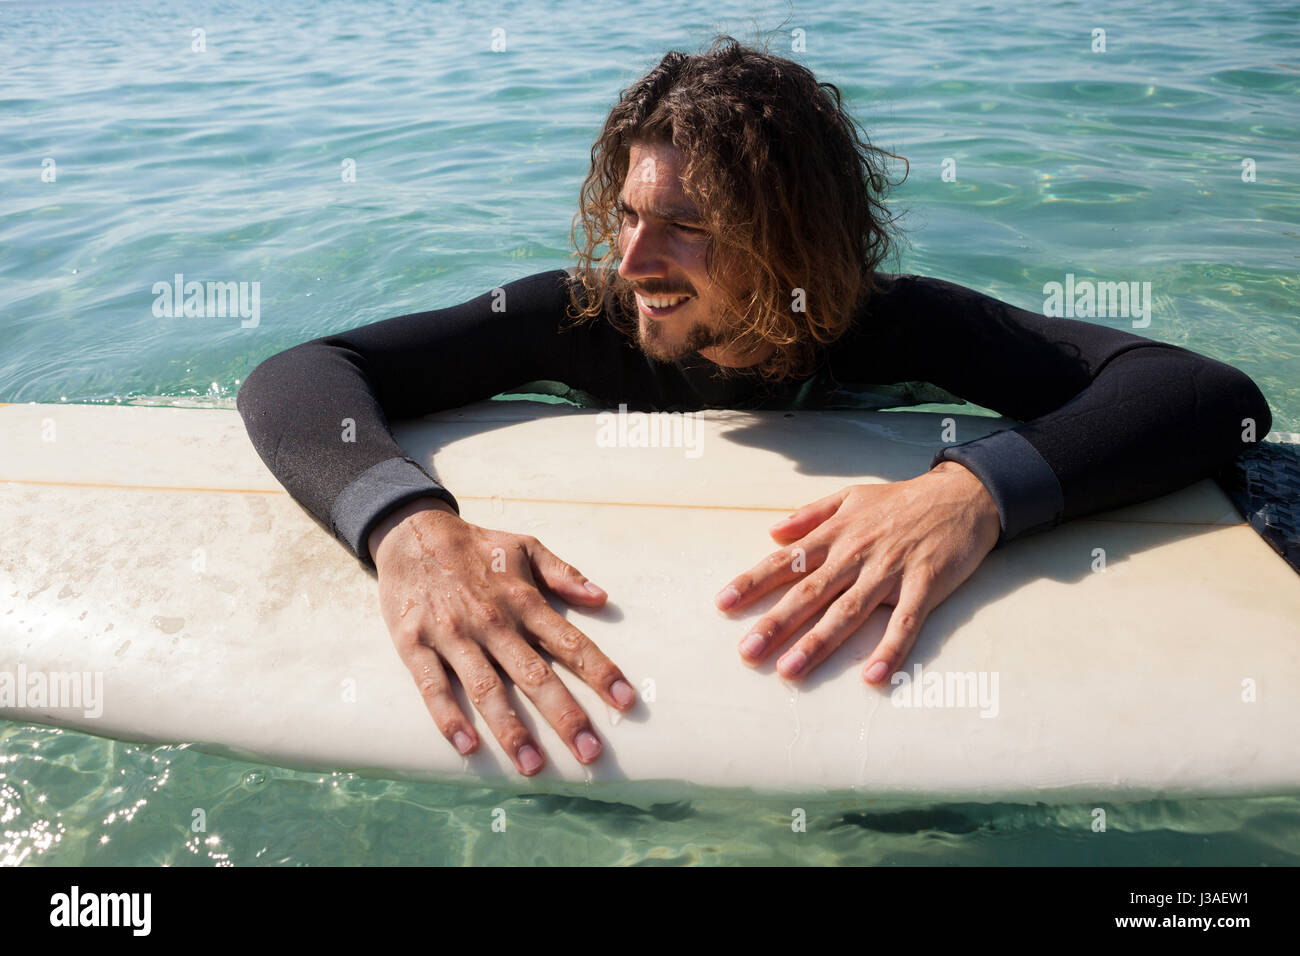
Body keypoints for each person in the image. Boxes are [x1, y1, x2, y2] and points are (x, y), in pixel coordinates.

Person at [236, 38, 1272, 777]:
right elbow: (302, 374)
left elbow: (1203, 394)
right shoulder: (577, 317)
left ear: (791, 237)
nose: (632, 261)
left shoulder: (896, 326)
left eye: (683, 226)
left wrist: (971, 492)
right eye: (630, 214)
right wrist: (407, 523)